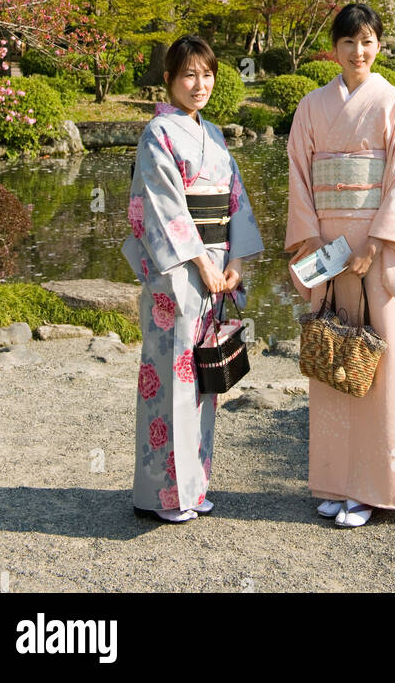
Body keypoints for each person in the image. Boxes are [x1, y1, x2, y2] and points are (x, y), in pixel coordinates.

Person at [285, 3, 395, 528]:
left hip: (379, 251)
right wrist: (311, 246)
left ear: (379, 46)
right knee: (331, 361)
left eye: (367, 41)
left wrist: (373, 244)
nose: (357, 51)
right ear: (334, 48)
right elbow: (299, 179)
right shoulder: (311, 107)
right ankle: (336, 482)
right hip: (328, 249)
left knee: (379, 369)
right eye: (348, 42)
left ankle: (375, 490)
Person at [123, 35, 264, 523]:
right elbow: (160, 207)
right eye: (188, 75)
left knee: (205, 378)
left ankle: (195, 485)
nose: (199, 84)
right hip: (179, 272)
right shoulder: (157, 134)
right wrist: (200, 263)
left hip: (217, 264)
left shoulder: (217, 136)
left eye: (207, 74)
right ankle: (163, 494)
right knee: (171, 378)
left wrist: (236, 262)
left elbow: (235, 203)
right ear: (169, 80)